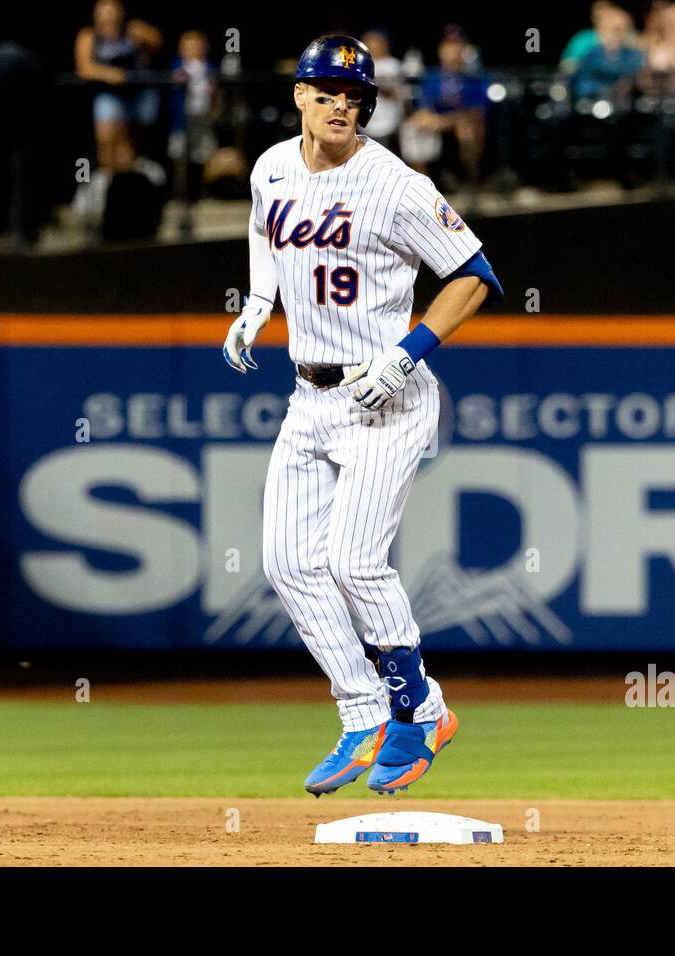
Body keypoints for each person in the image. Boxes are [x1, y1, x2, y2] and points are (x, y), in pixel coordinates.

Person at [221, 34, 502, 797]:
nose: (342, 104)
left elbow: (476, 277)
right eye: (327, 91)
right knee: (286, 563)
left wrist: (408, 353)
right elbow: (260, 225)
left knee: (352, 561)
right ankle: (362, 713)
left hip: (386, 395)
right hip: (309, 396)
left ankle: (424, 709)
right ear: (300, 97)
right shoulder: (272, 166)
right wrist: (256, 302)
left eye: (355, 95)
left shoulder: (396, 184)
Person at [74, 0, 164, 175]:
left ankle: (129, 185)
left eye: (112, 10)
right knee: (106, 139)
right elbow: (84, 67)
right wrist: (109, 74)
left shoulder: (132, 29)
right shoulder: (89, 35)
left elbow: (157, 42)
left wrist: (143, 36)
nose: (109, 15)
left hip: (139, 94)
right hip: (109, 93)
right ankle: (109, 183)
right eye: (104, 10)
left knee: (128, 145)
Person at [407, 25, 488, 192]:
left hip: (463, 122)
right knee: (414, 125)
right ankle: (421, 186)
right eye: (448, 47)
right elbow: (424, 106)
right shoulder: (432, 76)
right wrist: (431, 118)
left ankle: (472, 184)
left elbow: (476, 111)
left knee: (467, 130)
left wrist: (451, 120)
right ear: (441, 50)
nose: (452, 51)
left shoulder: (474, 76)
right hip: (440, 120)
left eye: (457, 46)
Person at [167, 30, 218, 199]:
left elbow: (217, 92)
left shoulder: (210, 68)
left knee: (205, 155)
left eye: (197, 46)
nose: (193, 50)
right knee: (180, 156)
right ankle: (179, 193)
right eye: (189, 47)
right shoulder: (176, 66)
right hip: (181, 121)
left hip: (203, 120)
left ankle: (205, 192)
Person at [362, 28, 406, 155]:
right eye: (368, 41)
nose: (371, 44)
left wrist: (373, 81)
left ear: (384, 43)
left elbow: (392, 93)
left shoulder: (394, 65)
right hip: (366, 125)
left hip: (388, 125)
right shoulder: (362, 65)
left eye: (374, 41)